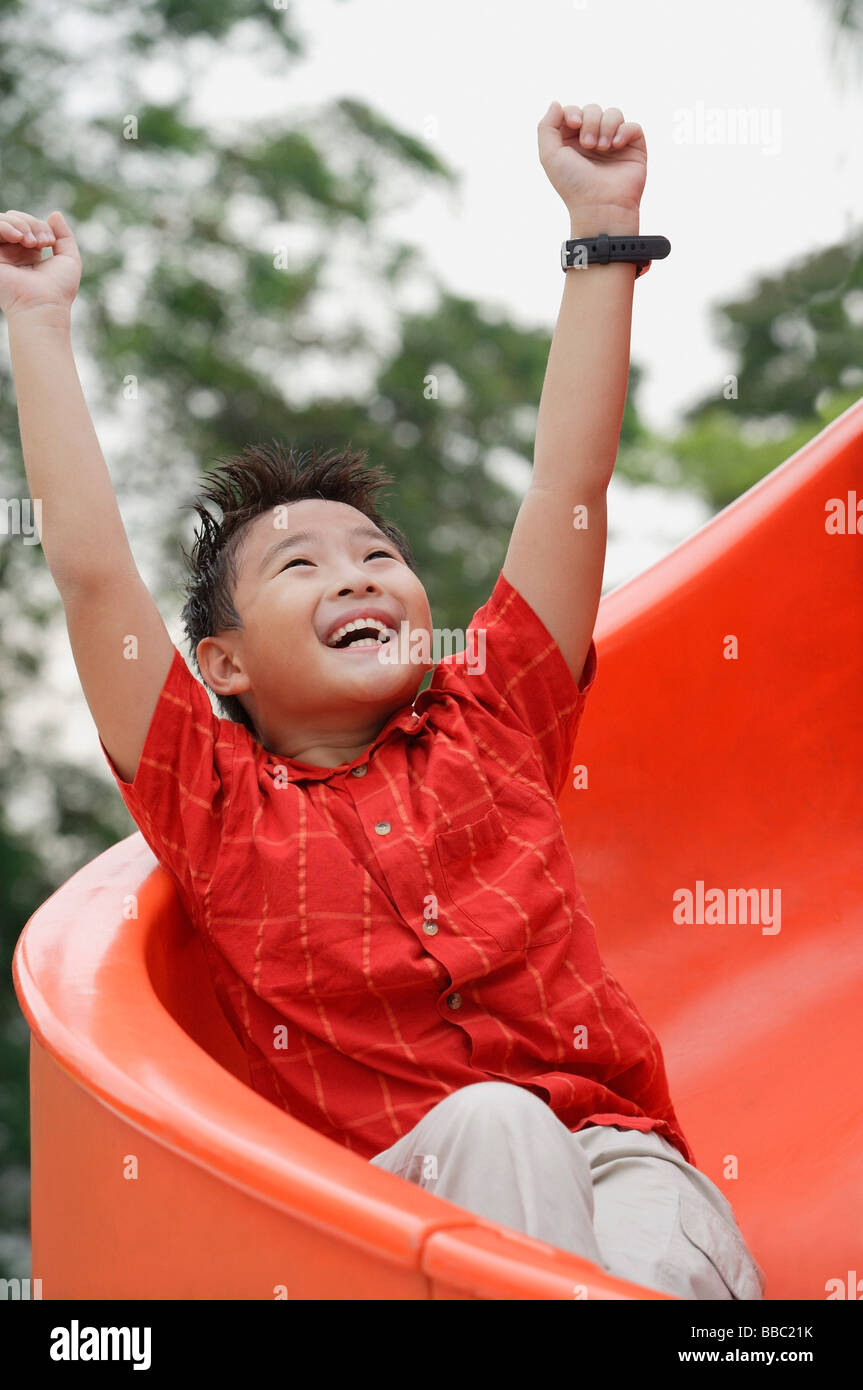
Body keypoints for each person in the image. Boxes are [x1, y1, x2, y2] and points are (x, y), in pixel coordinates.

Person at [0, 99, 766, 1301]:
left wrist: (601, 232)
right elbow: (94, 576)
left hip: (617, 1164)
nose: (355, 573)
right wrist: (37, 326)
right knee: (498, 1126)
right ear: (224, 667)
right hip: (389, 1217)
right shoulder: (215, 804)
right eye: (299, 567)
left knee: (662, 1254)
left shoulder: (496, 714)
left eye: (375, 554)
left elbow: (572, 478)